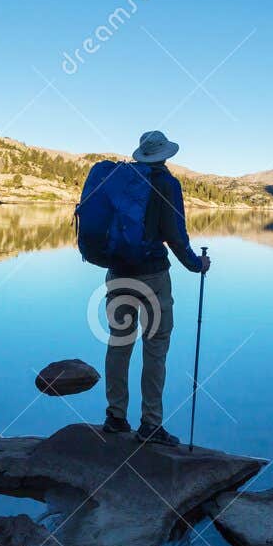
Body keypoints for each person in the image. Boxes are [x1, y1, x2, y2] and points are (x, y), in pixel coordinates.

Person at [103, 130, 210, 444]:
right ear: (165, 155)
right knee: (155, 347)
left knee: (119, 342)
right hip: (152, 274)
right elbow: (175, 235)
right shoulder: (167, 184)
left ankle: (115, 417)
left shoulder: (123, 181)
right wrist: (196, 264)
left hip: (118, 271)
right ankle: (150, 424)